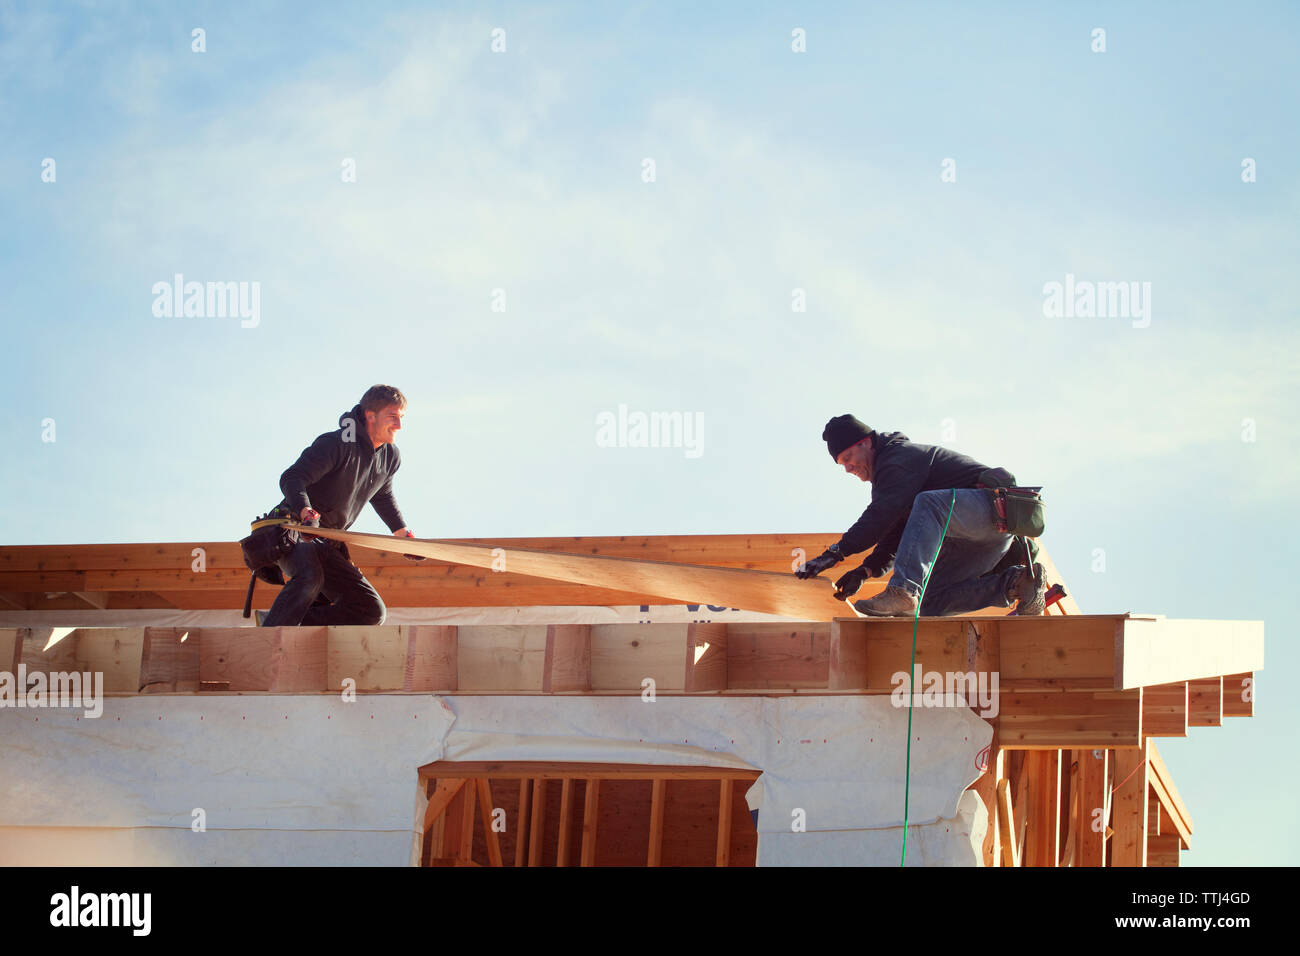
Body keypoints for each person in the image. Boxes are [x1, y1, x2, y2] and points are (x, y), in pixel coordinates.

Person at [794, 414, 1047, 617]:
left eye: (848, 457)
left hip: (991, 513)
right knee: (926, 602)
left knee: (928, 504)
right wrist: (865, 571)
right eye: (842, 464)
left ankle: (903, 591)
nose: (848, 469)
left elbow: (881, 514)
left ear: (867, 442)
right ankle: (1017, 583)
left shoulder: (897, 459)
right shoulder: (894, 482)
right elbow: (899, 533)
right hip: (977, 541)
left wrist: (835, 553)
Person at [259, 385, 421, 626]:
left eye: (401, 418)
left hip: (328, 544)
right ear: (370, 416)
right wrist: (305, 509)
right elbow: (292, 477)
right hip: (293, 532)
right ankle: (269, 640)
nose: (399, 425)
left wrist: (401, 533)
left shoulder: (390, 457)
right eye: (392, 417)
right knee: (309, 577)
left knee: (370, 611)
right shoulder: (337, 443)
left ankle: (278, 623)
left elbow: (382, 495)